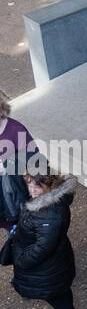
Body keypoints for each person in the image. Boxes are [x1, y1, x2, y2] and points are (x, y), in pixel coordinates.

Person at [4, 172, 78, 309]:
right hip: (54, 264)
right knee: (61, 298)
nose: (32, 190)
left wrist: (21, 260)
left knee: (59, 300)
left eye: (37, 186)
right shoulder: (46, 203)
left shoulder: (50, 213)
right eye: (30, 185)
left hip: (48, 267)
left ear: (49, 186)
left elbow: (43, 247)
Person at [0, 94, 37, 232]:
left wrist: (7, 165)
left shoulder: (16, 130)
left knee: (30, 233)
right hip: (3, 199)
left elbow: (34, 159)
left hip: (18, 193)